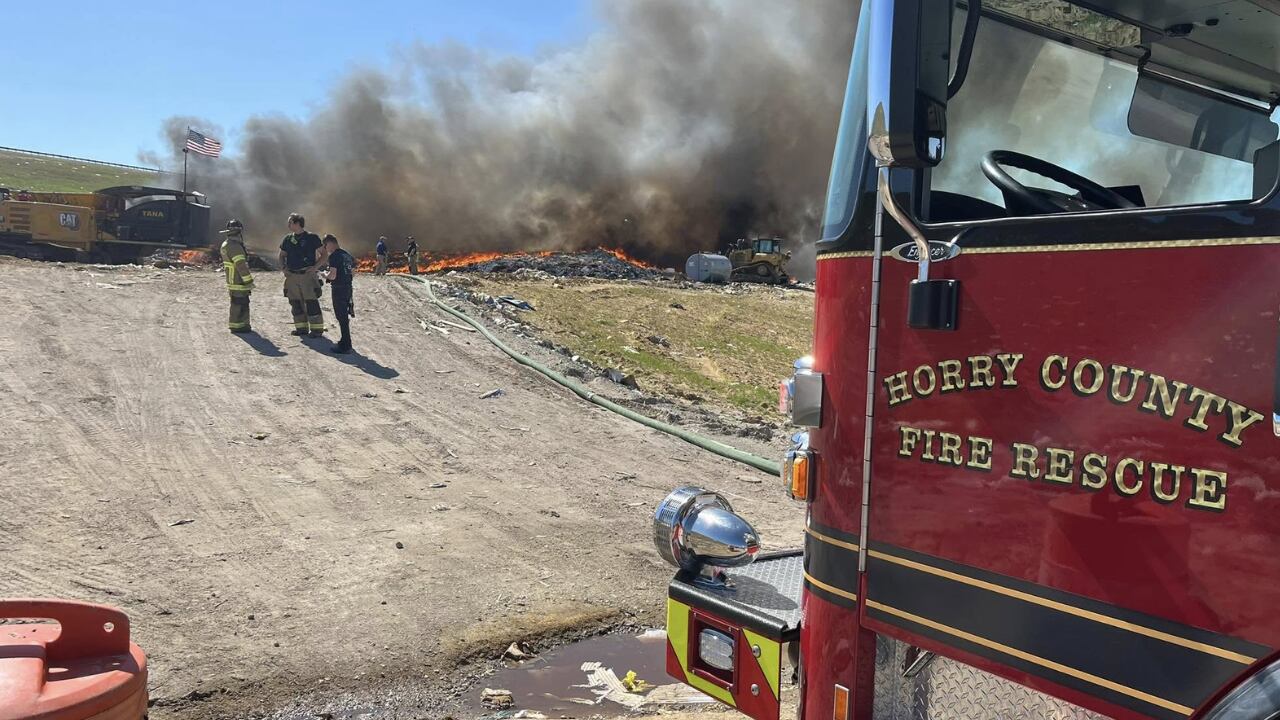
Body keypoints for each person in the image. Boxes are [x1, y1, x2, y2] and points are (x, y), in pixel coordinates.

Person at [277, 213, 327, 337]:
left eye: (290, 222)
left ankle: (316, 330)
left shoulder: (312, 238)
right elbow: (282, 255)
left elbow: (324, 254)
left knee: (311, 302)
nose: (288, 225)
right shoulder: (288, 239)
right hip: (292, 276)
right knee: (295, 303)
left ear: (297, 223)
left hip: (307, 275)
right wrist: (283, 268)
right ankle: (301, 328)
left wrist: (315, 268)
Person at [219, 219, 254, 333]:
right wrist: (248, 281)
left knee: (236, 302)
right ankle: (239, 326)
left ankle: (238, 324)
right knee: (241, 303)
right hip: (238, 280)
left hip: (232, 279)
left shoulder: (226, 244)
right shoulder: (234, 246)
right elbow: (241, 265)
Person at [323, 234, 356, 354]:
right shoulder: (347, 255)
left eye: (325, 246)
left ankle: (346, 345)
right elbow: (352, 273)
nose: (326, 249)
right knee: (345, 316)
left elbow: (332, 275)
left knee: (341, 317)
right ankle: (345, 341)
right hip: (348, 288)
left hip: (338, 289)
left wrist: (324, 275)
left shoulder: (335, 256)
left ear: (330, 243)